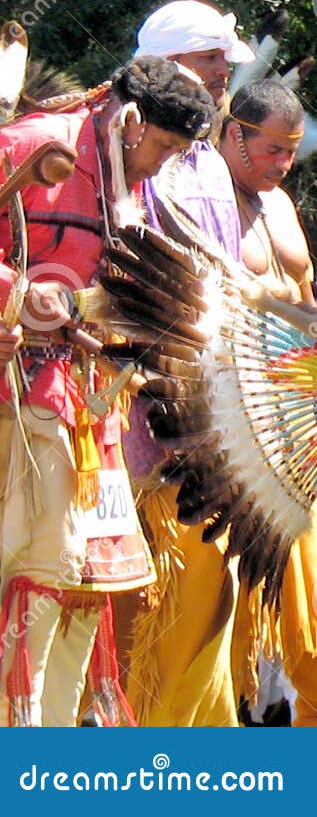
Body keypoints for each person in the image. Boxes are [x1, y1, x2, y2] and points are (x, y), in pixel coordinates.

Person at [0, 58, 215, 726]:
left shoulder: (123, 178)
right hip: (28, 395)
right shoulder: (37, 145)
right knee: (45, 566)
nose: (163, 165)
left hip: (92, 406)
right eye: (162, 148)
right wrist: (12, 297)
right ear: (129, 121)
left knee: (87, 583)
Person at [123, 0, 255, 727]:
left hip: (216, 395)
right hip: (149, 403)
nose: (221, 74)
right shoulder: (134, 149)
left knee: (213, 580)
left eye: (223, 62)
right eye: (211, 60)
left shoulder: (208, 158)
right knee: (159, 586)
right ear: (171, 60)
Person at [218, 79, 317, 726]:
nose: (283, 165)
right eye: (272, 149)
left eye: (292, 152)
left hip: (296, 430)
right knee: (225, 610)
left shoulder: (282, 207)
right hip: (230, 434)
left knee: (313, 610)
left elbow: (308, 310)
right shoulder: (202, 199)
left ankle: (310, 732)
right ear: (232, 132)